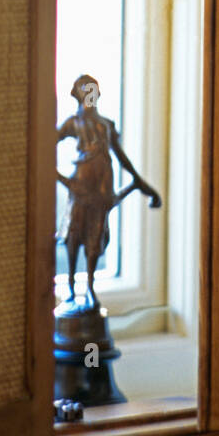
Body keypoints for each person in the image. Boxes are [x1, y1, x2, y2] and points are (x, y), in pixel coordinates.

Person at [56, 74, 161, 307]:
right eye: (85, 90)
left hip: (102, 190)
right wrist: (57, 176)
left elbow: (123, 160)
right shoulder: (73, 123)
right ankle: (72, 288)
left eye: (93, 90)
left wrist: (143, 186)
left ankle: (90, 287)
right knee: (73, 236)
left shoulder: (106, 126)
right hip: (80, 189)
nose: (90, 95)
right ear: (77, 94)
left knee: (95, 239)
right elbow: (49, 141)